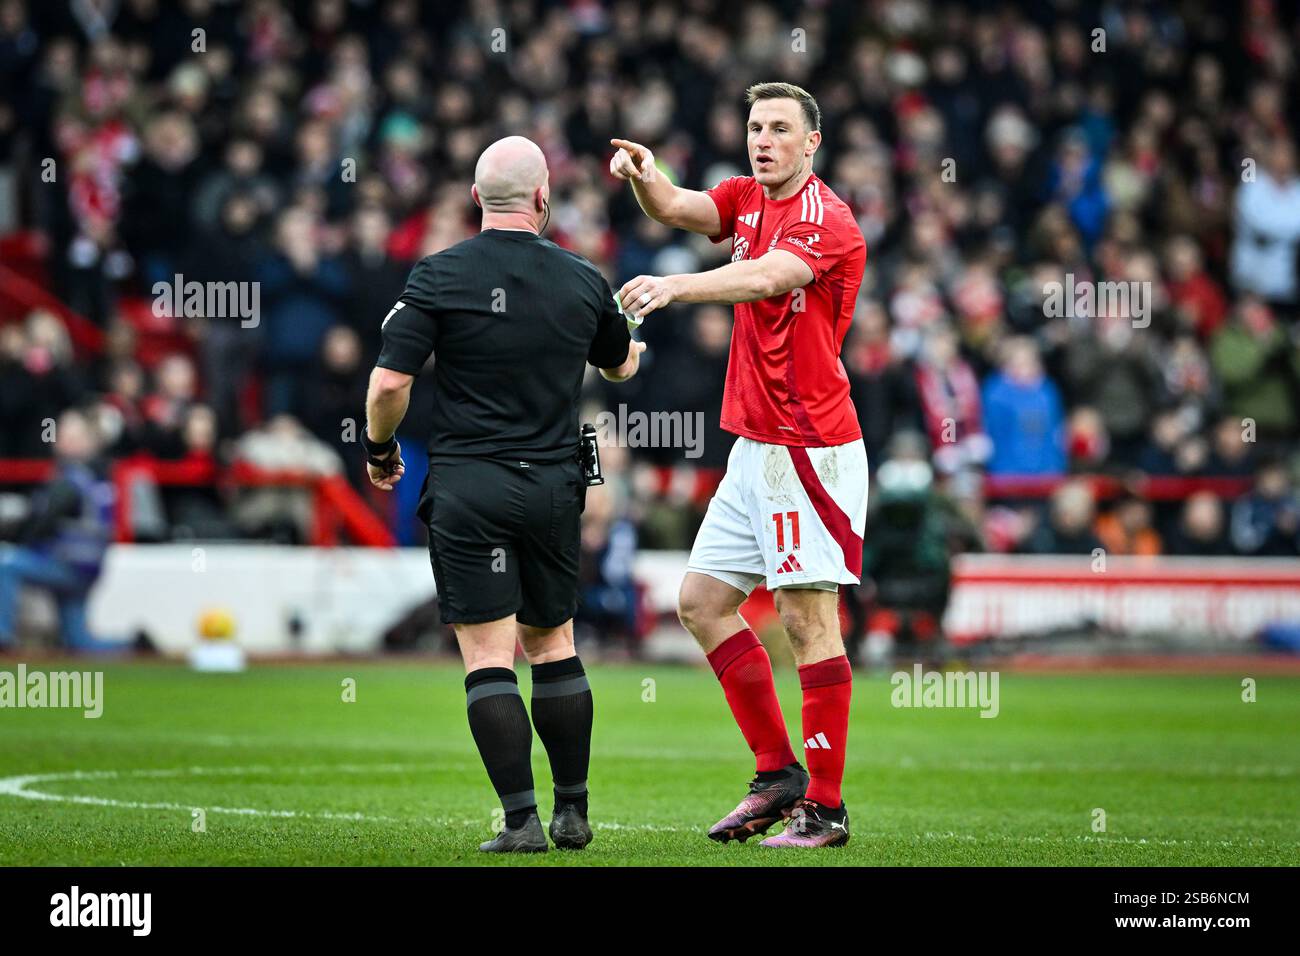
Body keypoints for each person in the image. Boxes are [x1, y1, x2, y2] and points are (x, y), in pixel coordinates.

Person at [361, 136, 643, 854]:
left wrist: (379, 449)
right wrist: (632, 327)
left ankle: (521, 821)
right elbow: (620, 367)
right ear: (544, 199)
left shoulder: (439, 275)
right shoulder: (584, 279)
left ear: (476, 201)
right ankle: (573, 812)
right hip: (553, 485)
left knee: (489, 657)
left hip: (469, 485)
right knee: (554, 644)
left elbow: (391, 383)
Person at [609, 82, 867, 848]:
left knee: (806, 620)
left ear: (811, 142)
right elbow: (681, 209)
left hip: (810, 447)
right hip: (754, 446)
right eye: (755, 127)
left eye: (780, 129)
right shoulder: (748, 198)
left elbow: (767, 277)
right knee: (700, 602)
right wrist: (647, 175)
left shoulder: (828, 220)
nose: (763, 140)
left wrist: (676, 286)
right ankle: (776, 775)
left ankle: (825, 807)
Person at [0, 409, 116, 651]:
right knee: (81, 643)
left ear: (87, 442)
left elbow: (40, 524)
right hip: (86, 571)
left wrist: (17, 541)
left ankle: (3, 636)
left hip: (66, 566)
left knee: (5, 563)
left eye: (70, 437)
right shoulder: (96, 476)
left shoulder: (71, 479)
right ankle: (134, 643)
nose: (63, 441)